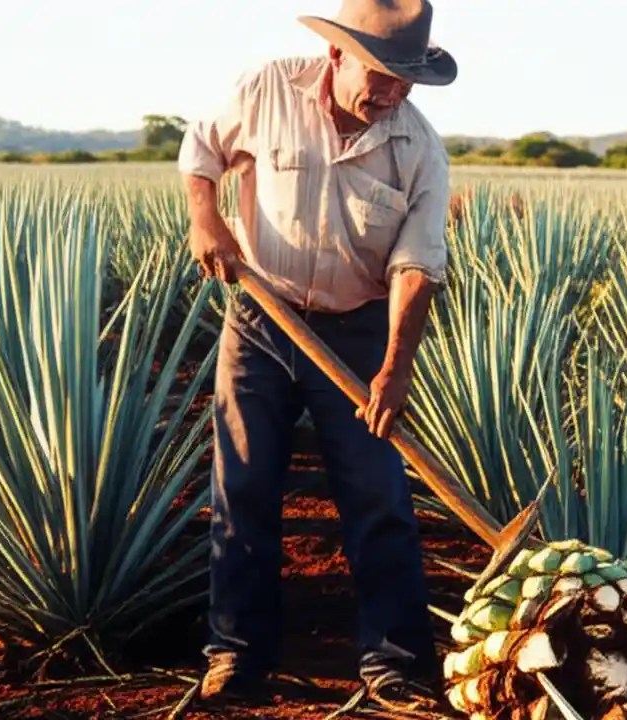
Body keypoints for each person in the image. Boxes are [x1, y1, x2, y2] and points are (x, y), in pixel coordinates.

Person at [175, 0, 457, 711]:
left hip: (359, 332)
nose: (392, 91)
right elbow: (201, 150)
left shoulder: (418, 147)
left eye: (406, 79)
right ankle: (236, 655)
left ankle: (392, 659)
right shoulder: (268, 89)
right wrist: (204, 218)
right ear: (336, 55)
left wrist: (395, 368)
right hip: (261, 319)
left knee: (377, 493)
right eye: (381, 74)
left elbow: (417, 266)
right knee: (242, 487)